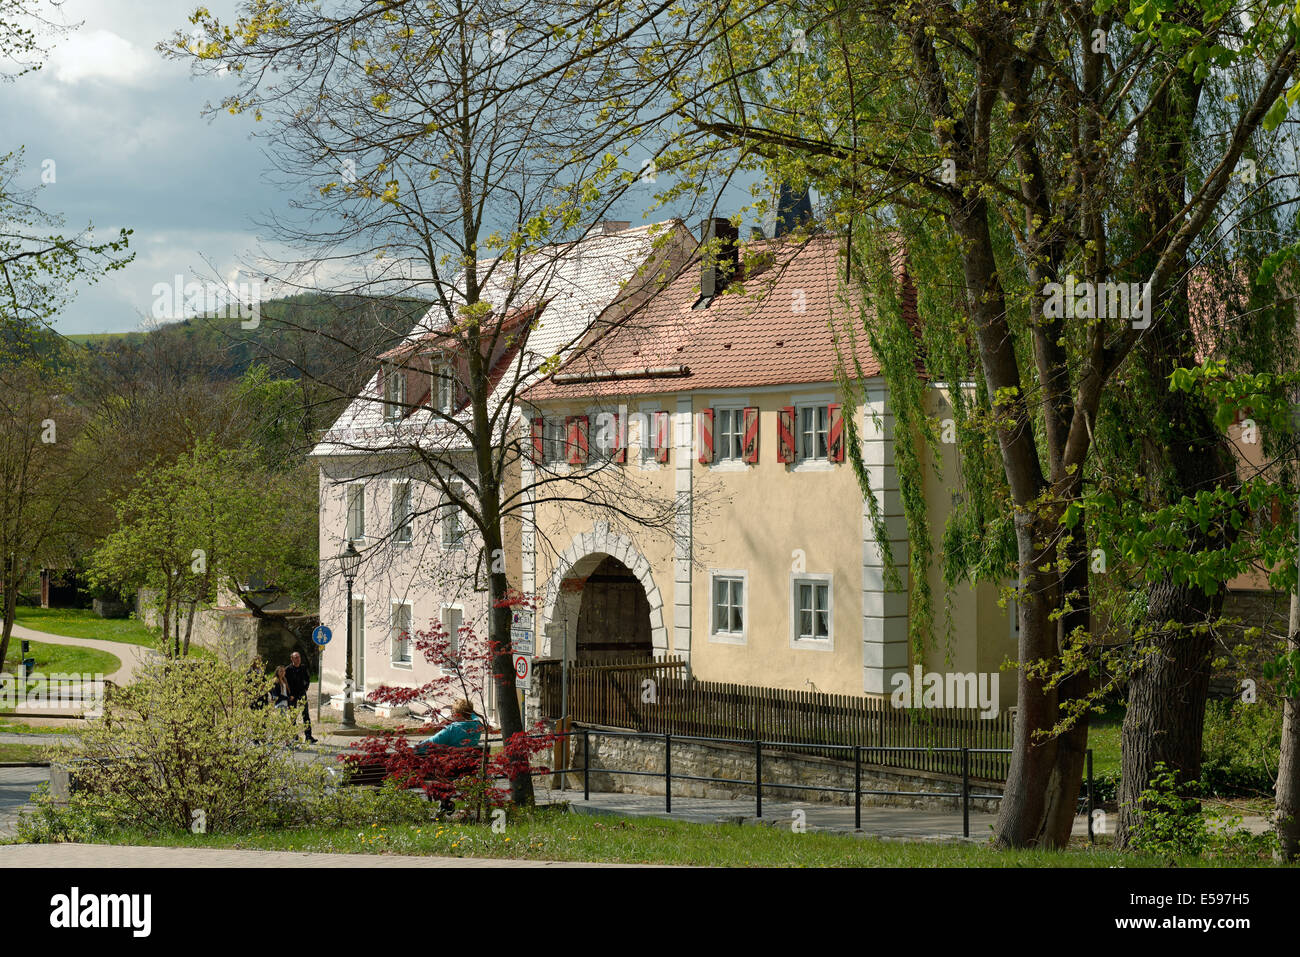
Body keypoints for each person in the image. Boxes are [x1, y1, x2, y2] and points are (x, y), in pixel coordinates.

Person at [284, 650, 316, 743]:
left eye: (299, 657)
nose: (298, 659)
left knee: (306, 715)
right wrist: (290, 695)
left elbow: (307, 678)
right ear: (292, 659)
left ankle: (308, 737)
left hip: (302, 694)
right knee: (293, 716)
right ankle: (295, 736)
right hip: (292, 696)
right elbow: (286, 684)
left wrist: (306, 687)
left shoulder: (303, 667)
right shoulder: (288, 670)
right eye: (296, 658)